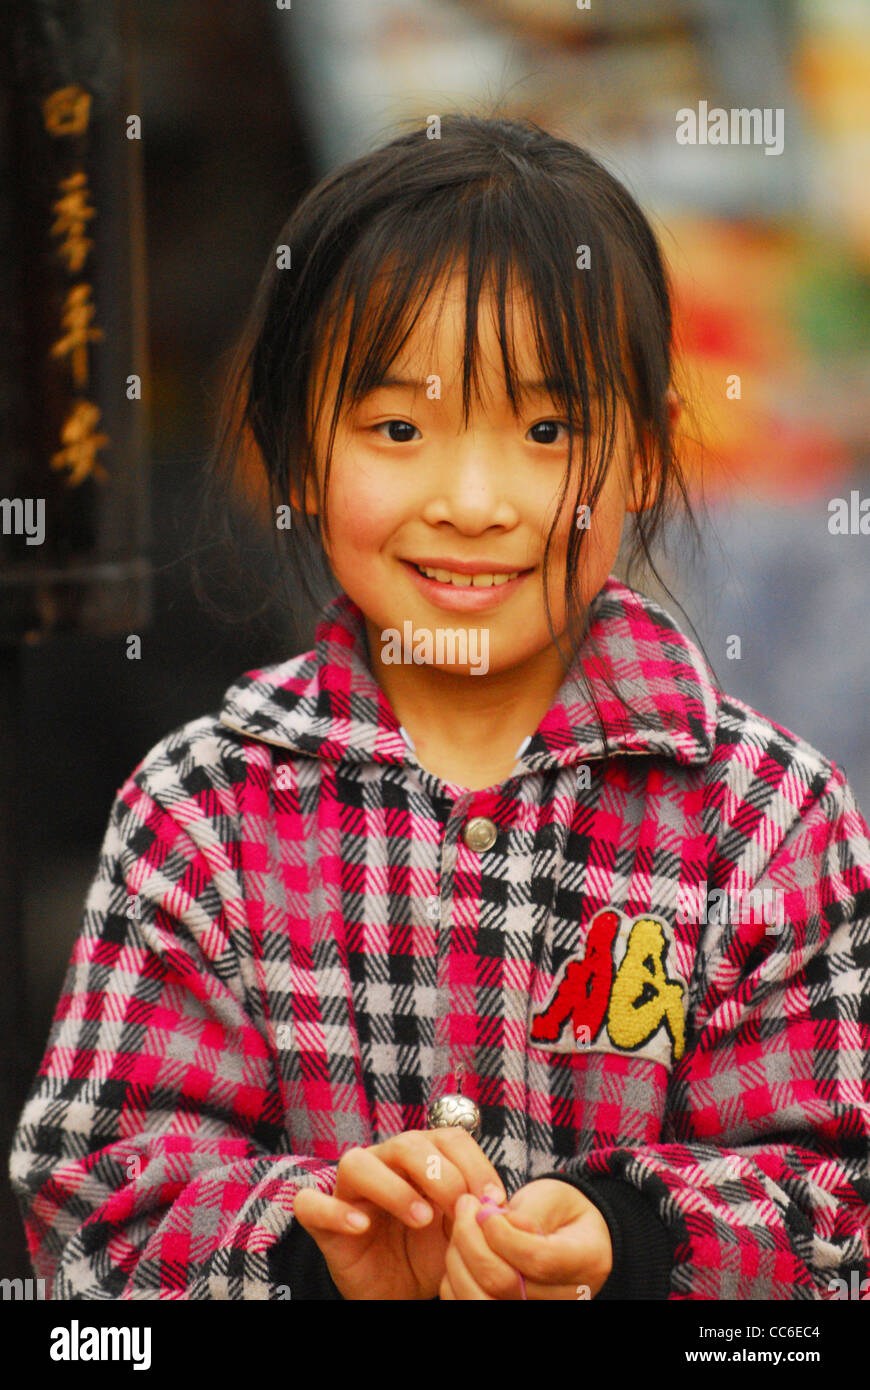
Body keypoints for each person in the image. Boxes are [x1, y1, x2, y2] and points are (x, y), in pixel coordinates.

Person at [9, 113, 870, 1301]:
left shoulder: (769, 821)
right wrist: (315, 1248)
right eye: (400, 428)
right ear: (295, 454)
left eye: (548, 429)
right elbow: (90, 1228)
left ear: (650, 451)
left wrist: (633, 1235)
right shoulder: (198, 815)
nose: (473, 499)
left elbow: (841, 1201)